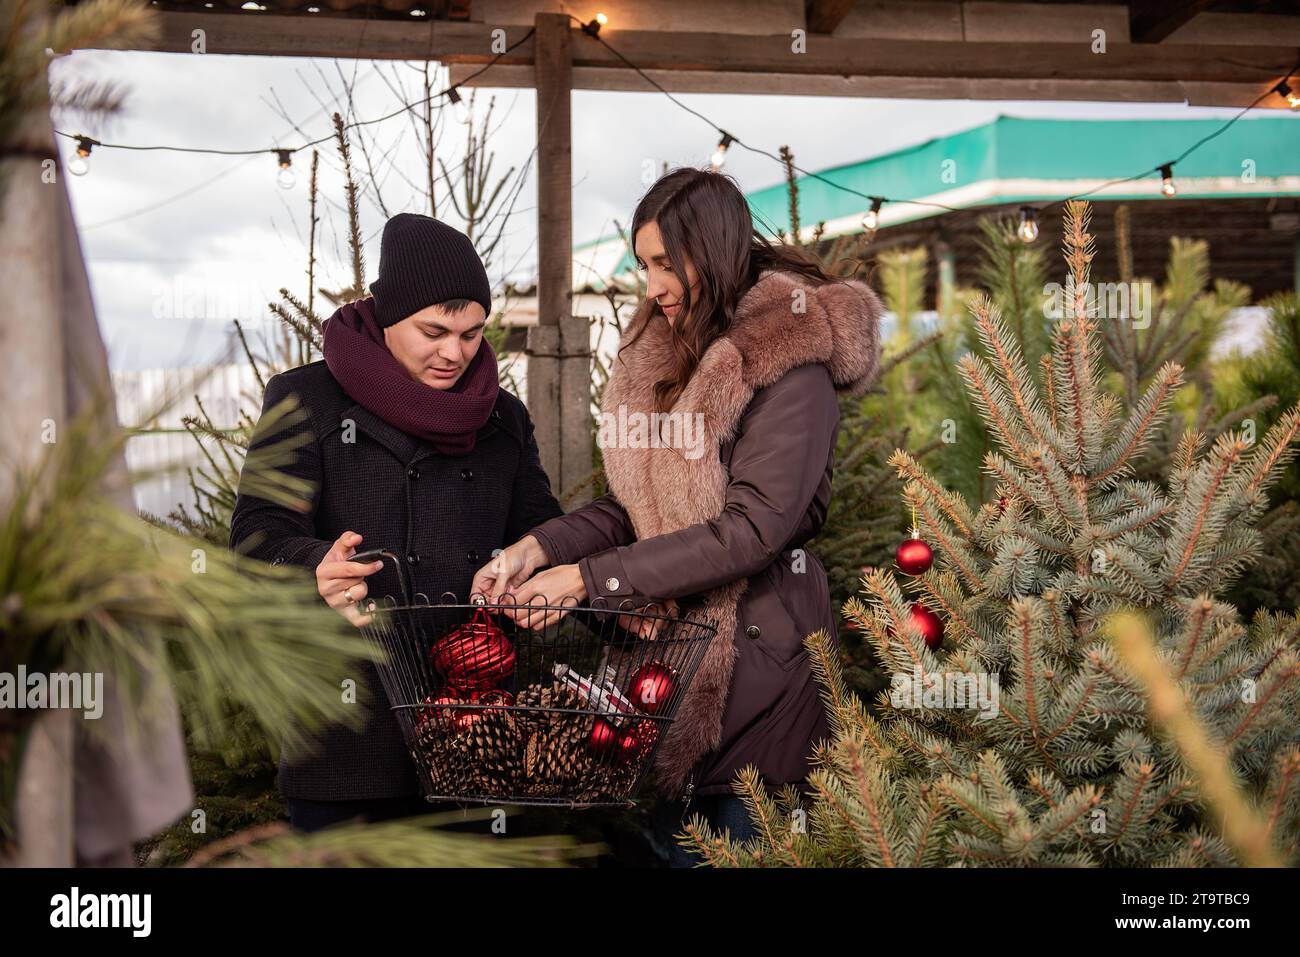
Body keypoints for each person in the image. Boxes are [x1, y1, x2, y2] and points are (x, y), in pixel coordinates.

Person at [473, 167, 883, 865]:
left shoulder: (790, 368)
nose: (652, 283)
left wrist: (589, 580)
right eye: (643, 264)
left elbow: (753, 530)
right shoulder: (673, 352)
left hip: (758, 686)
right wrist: (540, 548)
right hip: (668, 674)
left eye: (666, 263)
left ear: (714, 250)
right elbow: (638, 505)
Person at [230, 213, 563, 833]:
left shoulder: (503, 420)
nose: (454, 353)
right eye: (433, 331)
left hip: (475, 739)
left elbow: (540, 528)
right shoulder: (306, 400)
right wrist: (313, 569)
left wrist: (545, 573)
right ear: (386, 316)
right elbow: (256, 538)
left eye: (471, 334)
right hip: (346, 744)